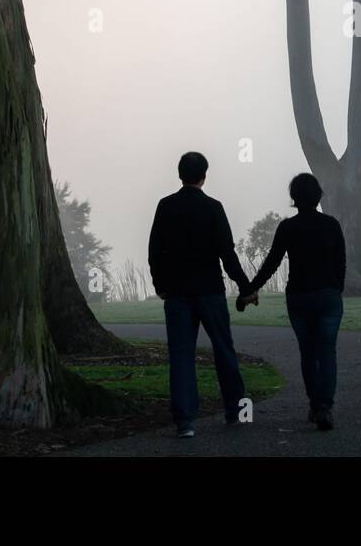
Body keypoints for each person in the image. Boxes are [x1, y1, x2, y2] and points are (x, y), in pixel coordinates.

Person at [147, 151, 254, 438]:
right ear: (204, 176)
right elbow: (227, 254)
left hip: (178, 294)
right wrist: (245, 287)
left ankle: (185, 422)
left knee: (181, 357)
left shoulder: (165, 207)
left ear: (179, 174)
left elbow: (155, 251)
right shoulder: (213, 208)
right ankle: (235, 409)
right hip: (210, 291)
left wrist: (160, 284)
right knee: (224, 350)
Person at [239, 173, 346, 431]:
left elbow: (272, 263)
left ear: (294, 199)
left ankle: (314, 404)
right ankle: (326, 407)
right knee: (327, 351)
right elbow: (341, 262)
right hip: (328, 296)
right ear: (318, 196)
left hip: (299, 297)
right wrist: (336, 289)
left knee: (308, 352)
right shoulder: (331, 225)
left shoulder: (288, 228)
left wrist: (250, 289)